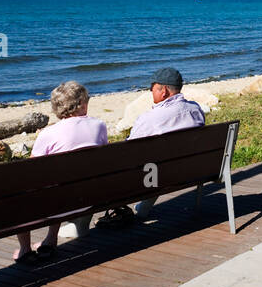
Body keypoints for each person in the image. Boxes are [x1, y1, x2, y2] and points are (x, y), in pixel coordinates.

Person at [97, 67, 205, 227]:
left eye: (152, 89)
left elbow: (129, 149)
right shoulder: (195, 109)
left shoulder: (150, 118)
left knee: (129, 164)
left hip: (155, 176)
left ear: (164, 91)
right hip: (193, 169)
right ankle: (143, 208)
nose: (150, 92)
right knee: (159, 162)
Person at [14, 80, 107, 264]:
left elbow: (31, 172)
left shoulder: (48, 134)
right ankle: (51, 238)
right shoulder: (99, 125)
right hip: (90, 198)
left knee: (31, 190)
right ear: (81, 104)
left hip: (58, 203)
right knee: (60, 184)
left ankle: (25, 249)